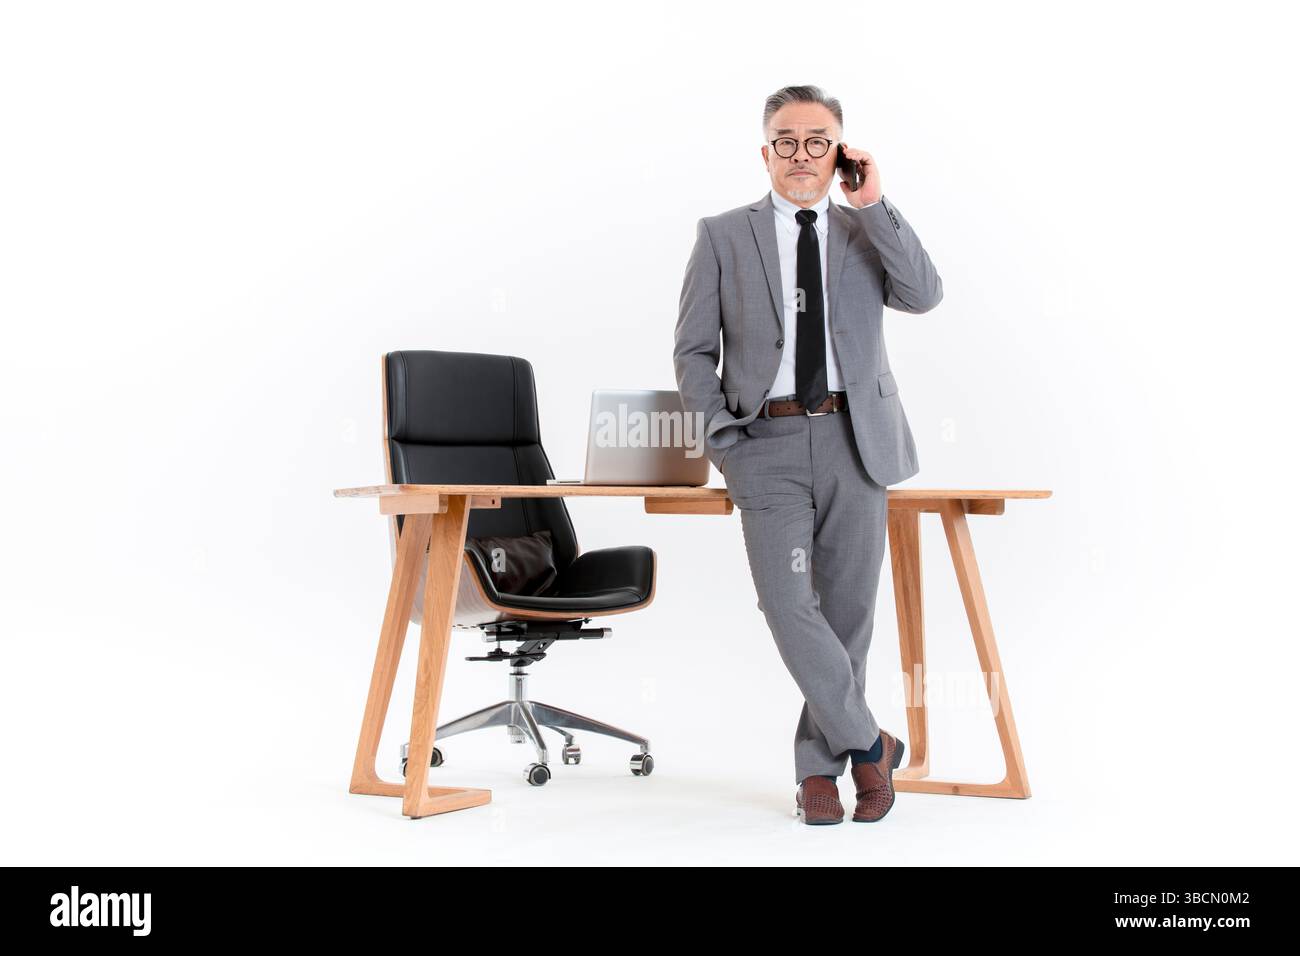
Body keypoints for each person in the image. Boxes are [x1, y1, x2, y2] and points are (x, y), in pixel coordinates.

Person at [673, 84, 943, 825]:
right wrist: (724, 442)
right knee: (788, 603)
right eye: (785, 141)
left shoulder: (863, 230)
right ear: (765, 153)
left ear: (841, 151)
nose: (801, 155)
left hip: (859, 440)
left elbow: (924, 295)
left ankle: (818, 774)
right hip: (767, 448)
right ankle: (869, 744)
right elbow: (694, 351)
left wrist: (876, 202)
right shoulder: (723, 234)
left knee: (849, 613)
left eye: (817, 140)